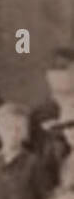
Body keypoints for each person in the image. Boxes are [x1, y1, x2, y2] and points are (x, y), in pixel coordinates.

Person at [28, 46, 74, 185]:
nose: (60, 75)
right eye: (55, 69)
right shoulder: (38, 115)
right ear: (47, 76)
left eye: (66, 69)